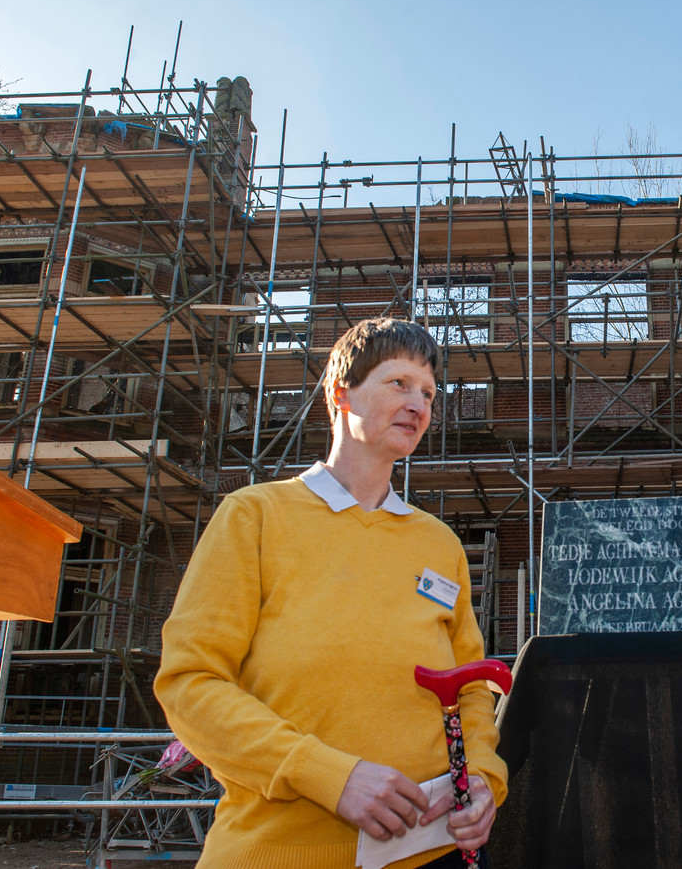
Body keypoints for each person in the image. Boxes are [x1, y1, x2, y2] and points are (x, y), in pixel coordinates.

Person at [154, 317, 507, 869]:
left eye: (429, 393)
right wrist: (328, 775)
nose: (419, 404)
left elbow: (472, 689)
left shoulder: (440, 545)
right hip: (276, 852)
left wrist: (483, 780)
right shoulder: (253, 517)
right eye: (398, 384)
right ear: (340, 394)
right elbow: (190, 684)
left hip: (430, 852)